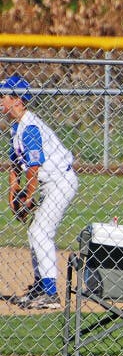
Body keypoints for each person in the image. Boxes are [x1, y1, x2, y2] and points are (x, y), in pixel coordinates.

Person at [2, 74, 78, 309]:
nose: (0, 101)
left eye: (3, 96)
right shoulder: (17, 128)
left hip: (60, 182)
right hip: (50, 183)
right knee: (36, 233)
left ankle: (50, 293)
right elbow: (15, 163)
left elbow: (33, 167)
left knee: (40, 232)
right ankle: (40, 286)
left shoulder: (30, 128)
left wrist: (29, 196)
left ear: (18, 100)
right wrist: (13, 193)